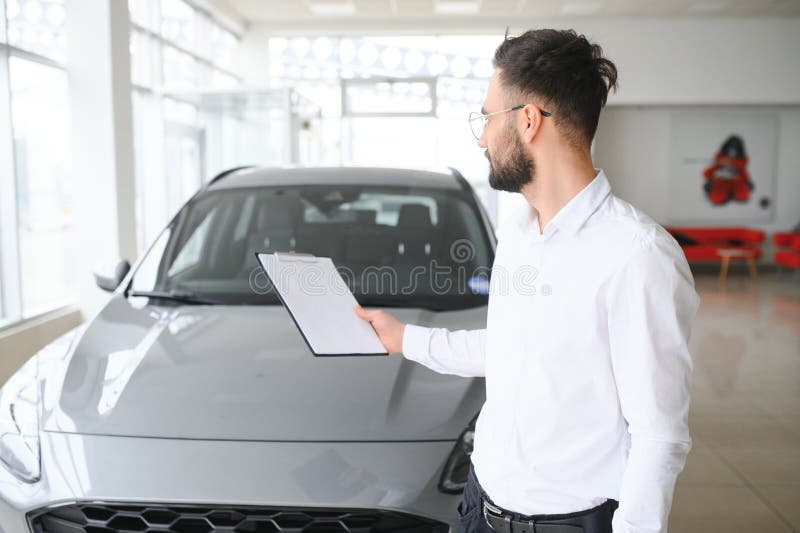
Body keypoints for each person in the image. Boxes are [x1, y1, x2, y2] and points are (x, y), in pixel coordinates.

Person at [355, 28, 700, 533]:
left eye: (487, 118)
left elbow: (659, 436)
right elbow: (511, 349)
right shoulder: (519, 232)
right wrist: (403, 338)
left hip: (566, 523)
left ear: (529, 120)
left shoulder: (638, 255)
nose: (480, 137)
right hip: (479, 505)